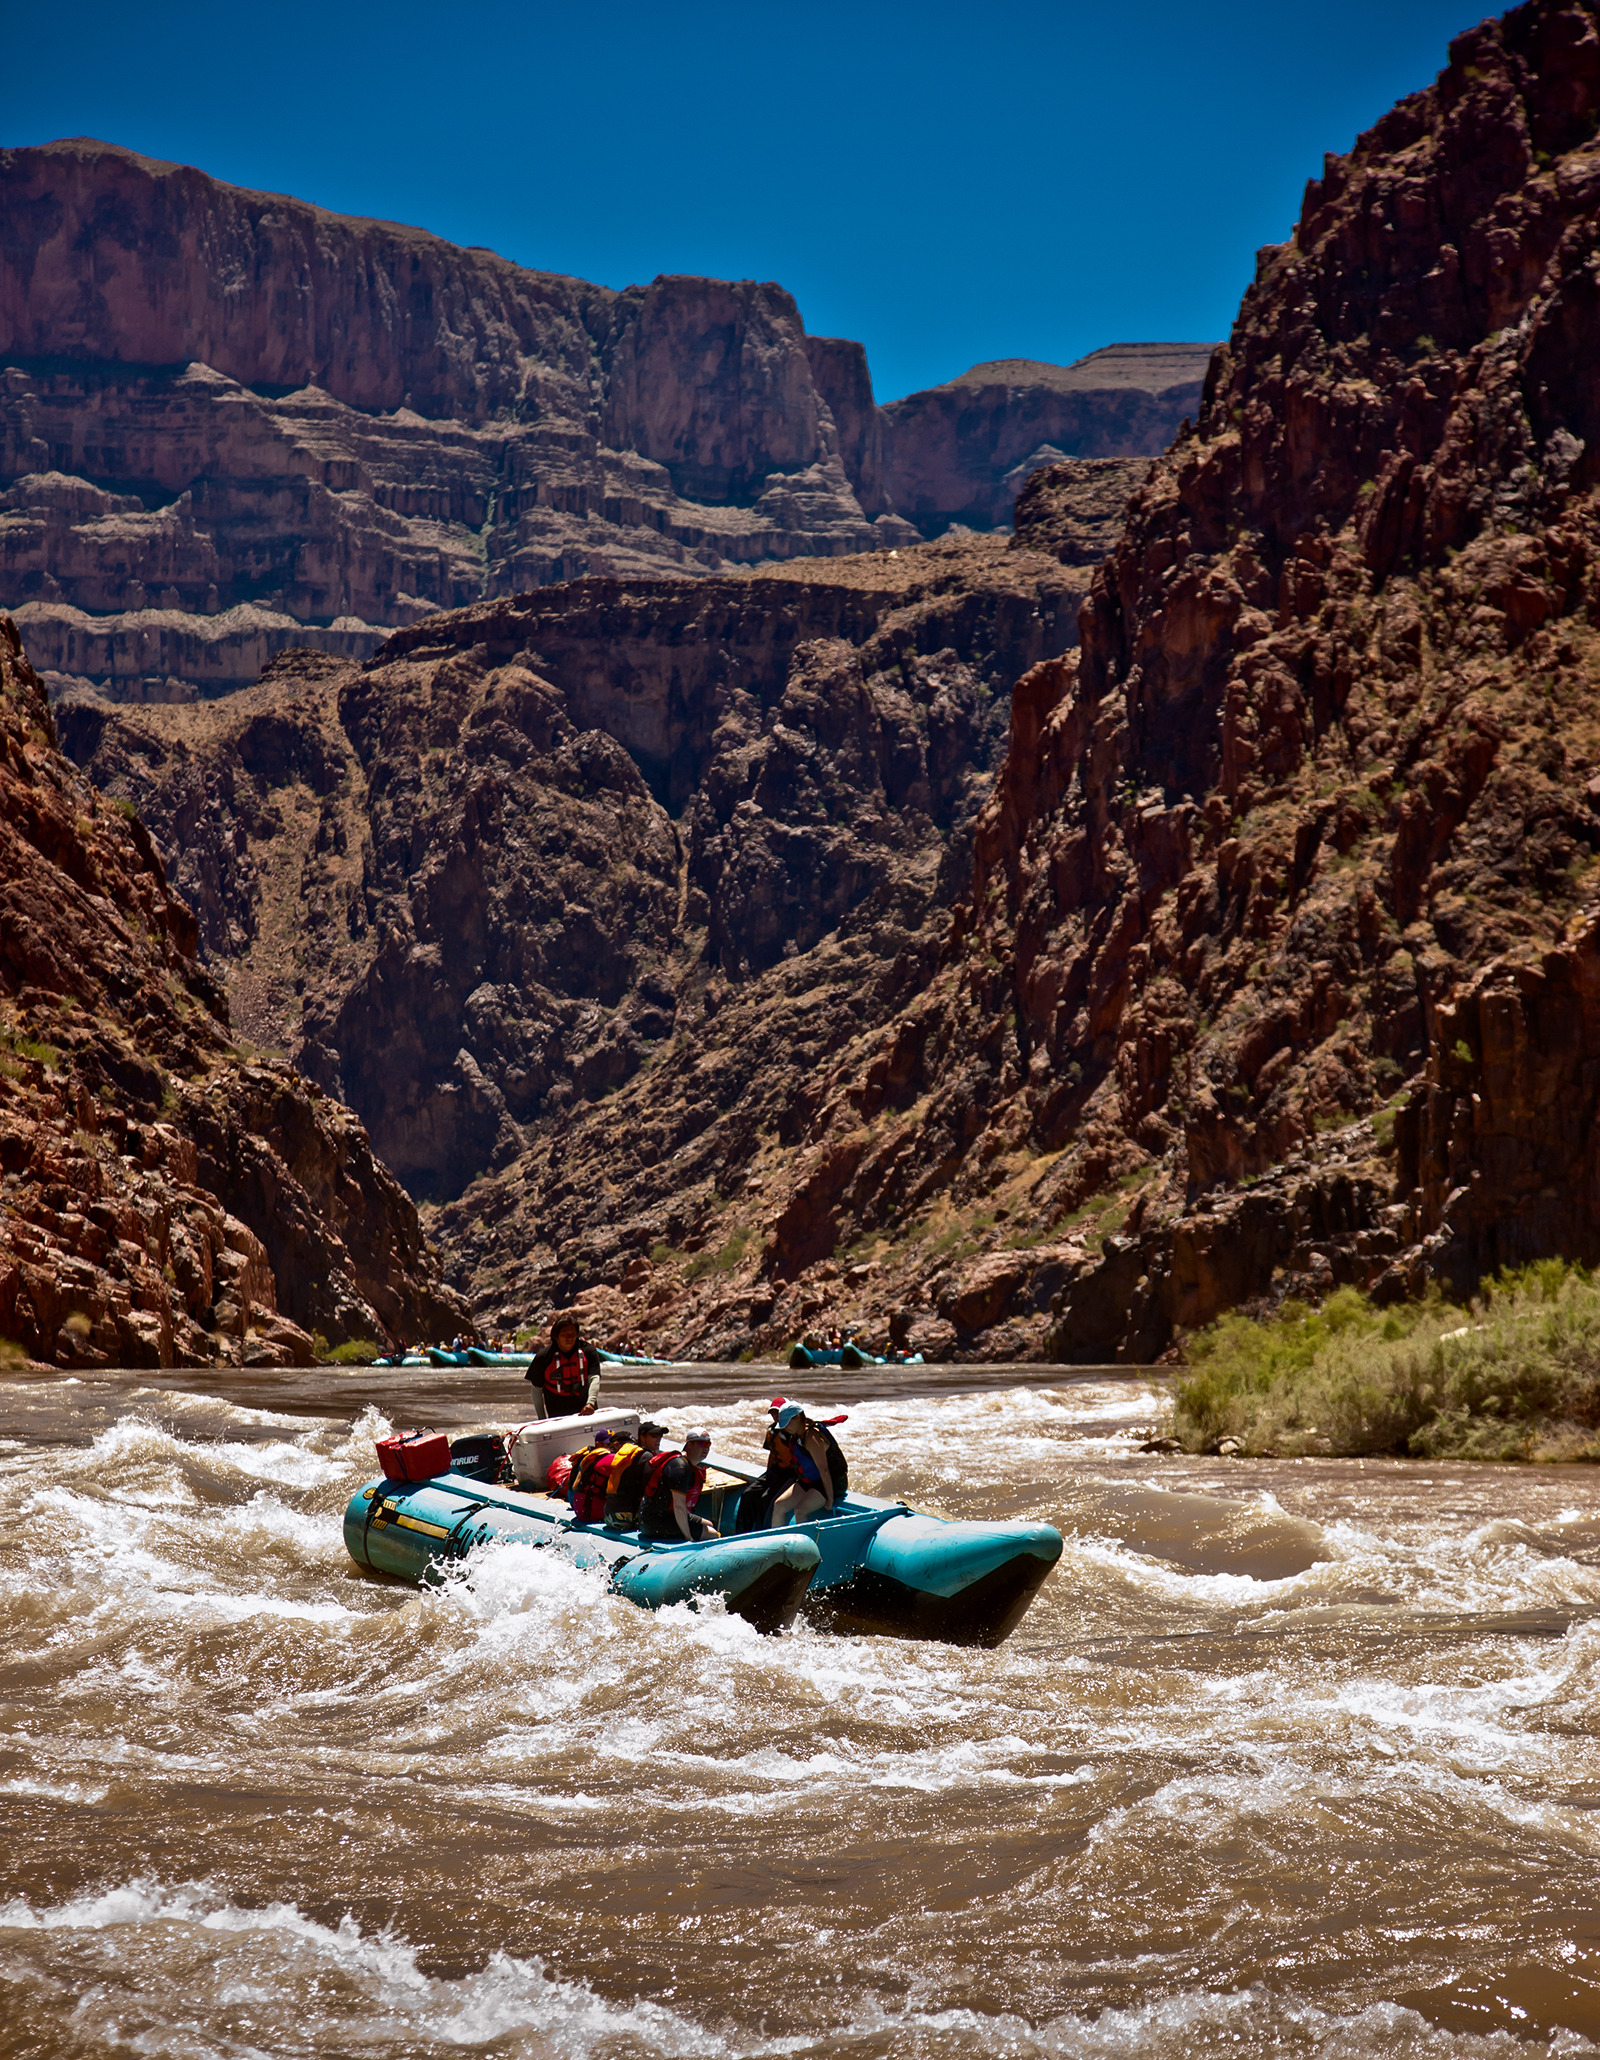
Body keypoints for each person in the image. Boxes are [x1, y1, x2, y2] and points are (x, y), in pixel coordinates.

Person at [768, 1403, 843, 1527]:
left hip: (827, 1483)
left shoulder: (811, 1437)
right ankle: (777, 1543)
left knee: (800, 1511)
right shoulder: (797, 1435)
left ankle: (802, 1546)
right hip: (809, 1481)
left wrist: (830, 1498)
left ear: (798, 1417)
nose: (784, 1428)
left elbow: (824, 1469)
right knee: (779, 1505)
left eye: (787, 1423)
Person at [638, 1429, 713, 1542]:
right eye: (701, 1443)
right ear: (689, 1444)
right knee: (712, 1534)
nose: (706, 1448)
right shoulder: (680, 1467)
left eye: (708, 1444)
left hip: (668, 1515)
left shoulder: (690, 1465)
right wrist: (689, 1538)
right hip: (655, 1521)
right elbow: (679, 1506)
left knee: (709, 1524)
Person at [525, 1312, 602, 1419]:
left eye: (572, 1334)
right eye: (564, 1335)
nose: (569, 1338)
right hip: (557, 1408)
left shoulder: (588, 1351)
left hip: (585, 1406)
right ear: (556, 1337)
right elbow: (536, 1390)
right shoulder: (543, 1357)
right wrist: (542, 1419)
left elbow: (595, 1379)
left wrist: (590, 1403)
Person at [604, 1421, 667, 1527]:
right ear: (642, 1437)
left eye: (660, 1435)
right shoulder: (647, 1457)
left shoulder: (632, 1454)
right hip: (625, 1517)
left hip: (609, 1514)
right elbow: (650, 1489)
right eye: (654, 1435)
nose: (659, 1438)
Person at [567, 1427, 623, 1522]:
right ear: (598, 1444)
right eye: (609, 1444)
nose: (612, 1447)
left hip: (581, 1501)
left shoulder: (598, 1456)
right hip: (577, 1499)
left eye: (614, 1444)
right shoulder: (587, 1458)